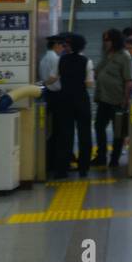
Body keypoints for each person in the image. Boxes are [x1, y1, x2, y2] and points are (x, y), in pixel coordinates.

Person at [51, 33, 93, 179]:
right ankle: (83, 168)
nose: (65, 46)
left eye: (66, 44)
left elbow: (52, 78)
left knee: (65, 134)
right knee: (84, 134)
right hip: (81, 99)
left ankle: (62, 169)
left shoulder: (60, 60)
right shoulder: (86, 61)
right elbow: (89, 84)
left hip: (64, 100)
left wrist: (43, 84)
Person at [93, 28, 132, 168]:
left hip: (117, 100)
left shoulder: (125, 56)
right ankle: (101, 155)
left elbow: (129, 81)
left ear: (115, 40)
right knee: (99, 127)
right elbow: (97, 71)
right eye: (104, 40)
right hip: (103, 98)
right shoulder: (106, 55)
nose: (105, 43)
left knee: (118, 132)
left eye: (108, 40)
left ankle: (114, 158)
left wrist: (126, 99)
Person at [39, 35, 66, 168]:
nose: (63, 49)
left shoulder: (44, 59)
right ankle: (55, 161)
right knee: (58, 130)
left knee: (51, 130)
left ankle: (49, 160)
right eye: (62, 46)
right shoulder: (56, 59)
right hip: (56, 96)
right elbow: (56, 80)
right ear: (56, 45)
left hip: (47, 95)